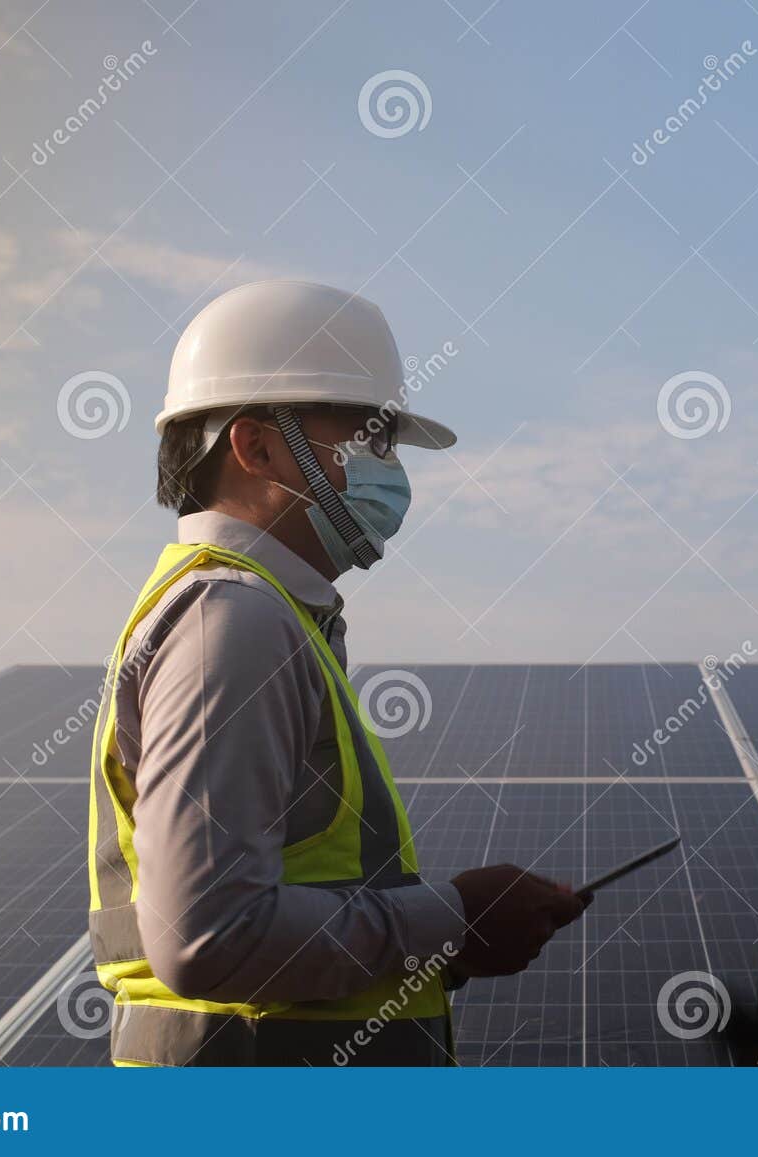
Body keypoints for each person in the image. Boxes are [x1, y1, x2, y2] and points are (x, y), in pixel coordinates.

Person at [85, 279, 585, 1066]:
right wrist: (453, 919)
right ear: (255, 447)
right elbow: (207, 940)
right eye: (372, 439)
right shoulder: (234, 624)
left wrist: (439, 945)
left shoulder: (258, 613)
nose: (392, 471)